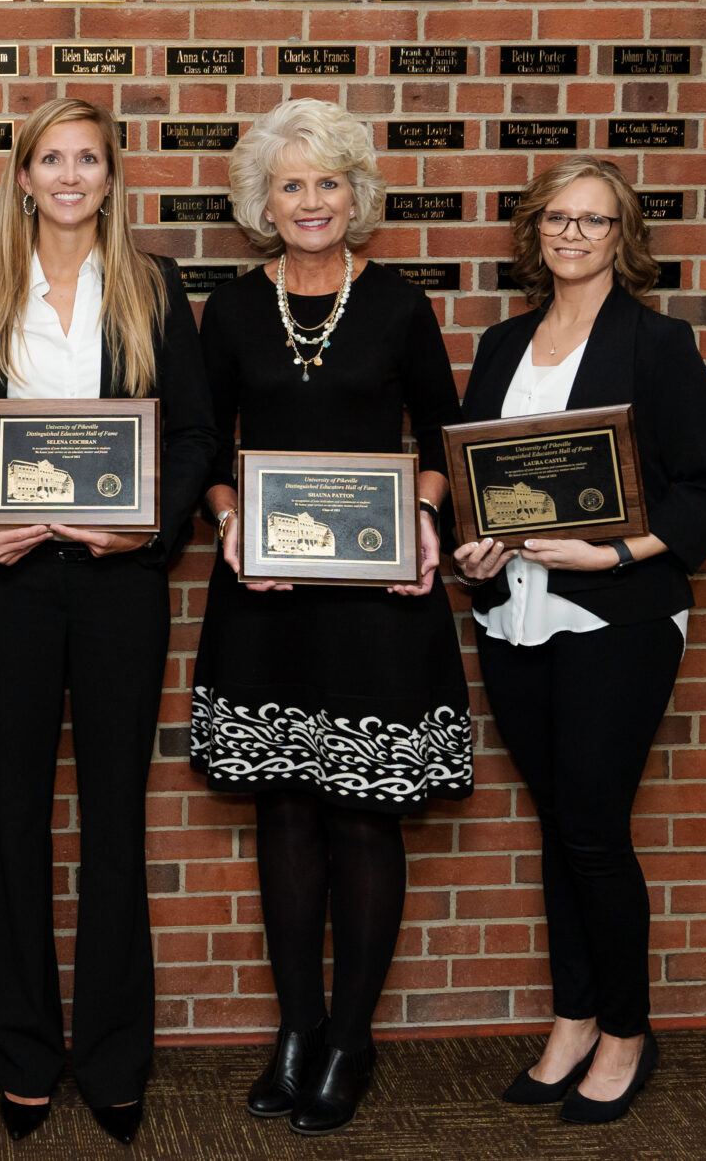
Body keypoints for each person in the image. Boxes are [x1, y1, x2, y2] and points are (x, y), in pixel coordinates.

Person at [0, 97, 216, 1145]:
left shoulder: (148, 288)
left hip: (115, 589)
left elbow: (190, 434)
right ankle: (20, 1050)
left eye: (86, 159)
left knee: (113, 819)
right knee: (15, 814)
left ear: (109, 177)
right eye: (48, 158)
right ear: (21, 177)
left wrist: (147, 525)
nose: (66, 176)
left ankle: (109, 1053)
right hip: (10, 586)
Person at [187, 99, 471, 1134]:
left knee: (362, 814)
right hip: (266, 599)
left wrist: (426, 524)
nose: (311, 201)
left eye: (328, 182)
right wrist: (225, 523)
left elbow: (442, 440)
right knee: (286, 809)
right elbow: (204, 449)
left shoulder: (398, 306)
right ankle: (296, 1028)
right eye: (291, 184)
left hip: (377, 600)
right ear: (263, 201)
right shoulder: (228, 310)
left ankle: (350, 1038)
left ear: (357, 196)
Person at [448, 156, 706, 1126]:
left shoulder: (657, 347)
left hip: (615, 618)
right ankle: (571, 1018)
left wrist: (611, 555)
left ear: (624, 238)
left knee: (593, 830)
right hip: (513, 616)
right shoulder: (501, 348)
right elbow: (480, 485)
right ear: (536, 234)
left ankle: (624, 1031)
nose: (571, 235)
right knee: (556, 825)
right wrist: (474, 557)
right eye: (555, 220)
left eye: (592, 221)